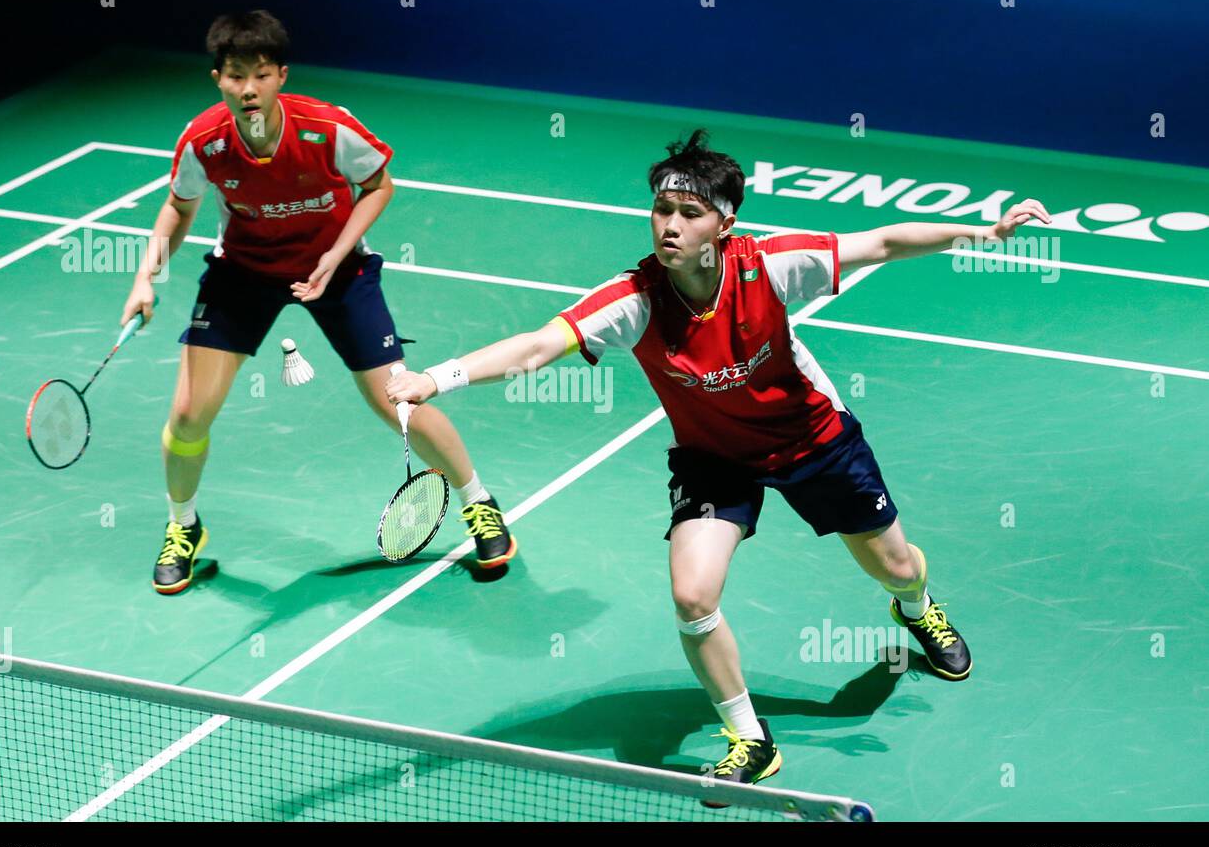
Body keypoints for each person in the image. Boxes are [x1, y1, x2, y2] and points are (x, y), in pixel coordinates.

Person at [386, 129, 1051, 793]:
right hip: (713, 458)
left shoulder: (771, 265)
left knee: (897, 567)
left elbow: (880, 243)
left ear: (725, 223)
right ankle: (749, 738)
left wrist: (985, 234)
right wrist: (437, 379)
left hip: (812, 439)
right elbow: (536, 347)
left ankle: (915, 607)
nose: (669, 226)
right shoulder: (635, 299)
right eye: (660, 210)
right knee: (692, 593)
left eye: (689, 213)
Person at [120, 10, 516, 595]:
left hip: (339, 267)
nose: (248, 89)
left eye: (260, 74)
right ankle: (185, 526)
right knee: (187, 415)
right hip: (244, 272)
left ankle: (479, 502)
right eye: (234, 76)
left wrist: (335, 253)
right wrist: (146, 276)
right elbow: (179, 207)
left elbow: (379, 185)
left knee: (397, 401)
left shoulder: (327, 129)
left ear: (281, 74)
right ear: (217, 79)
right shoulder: (204, 141)